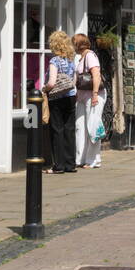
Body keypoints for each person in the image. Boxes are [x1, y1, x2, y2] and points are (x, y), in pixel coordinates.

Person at [43, 30, 78, 172]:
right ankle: (70, 165)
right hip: (70, 97)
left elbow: (51, 83)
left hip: (57, 99)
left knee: (57, 130)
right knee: (69, 130)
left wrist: (44, 89)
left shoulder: (54, 61)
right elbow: (74, 81)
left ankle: (59, 166)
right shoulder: (70, 60)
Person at [73, 33, 105, 168]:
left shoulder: (90, 56)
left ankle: (93, 160)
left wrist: (95, 94)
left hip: (93, 95)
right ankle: (80, 159)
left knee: (92, 127)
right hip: (81, 96)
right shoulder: (81, 58)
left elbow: (96, 75)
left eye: (73, 43)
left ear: (78, 44)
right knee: (80, 127)